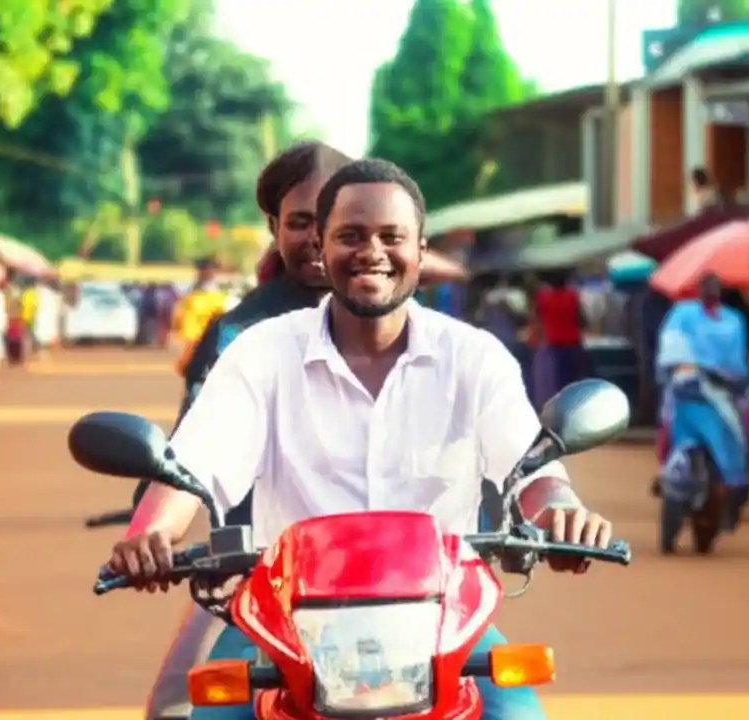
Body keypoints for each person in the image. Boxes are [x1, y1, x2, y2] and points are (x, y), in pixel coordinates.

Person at [109, 160, 614, 720]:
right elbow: (195, 464)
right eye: (350, 236)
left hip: (442, 622)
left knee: (520, 716)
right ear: (320, 250)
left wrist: (563, 512)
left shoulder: (474, 357)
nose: (372, 251)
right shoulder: (261, 353)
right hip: (287, 621)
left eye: (391, 237)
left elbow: (532, 471)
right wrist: (150, 533)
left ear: (420, 250)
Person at [133, 140, 352, 720]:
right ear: (274, 226)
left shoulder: (422, 332)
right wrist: (153, 525)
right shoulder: (239, 338)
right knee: (178, 707)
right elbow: (195, 448)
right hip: (264, 573)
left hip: (403, 577)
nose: (316, 238)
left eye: (331, 221)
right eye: (300, 222)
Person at [654, 273, 749, 530]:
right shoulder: (683, 314)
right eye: (706, 286)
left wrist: (731, 379)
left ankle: (737, 492)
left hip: (726, 391)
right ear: (699, 289)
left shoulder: (733, 320)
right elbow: (671, 348)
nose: (711, 290)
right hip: (688, 388)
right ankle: (665, 471)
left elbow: (737, 362)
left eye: (715, 286)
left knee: (745, 433)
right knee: (668, 424)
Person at [529, 270, 588, 410]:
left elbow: (536, 318)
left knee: (556, 383)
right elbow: (582, 320)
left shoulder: (542, 297)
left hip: (553, 344)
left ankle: (558, 412)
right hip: (573, 342)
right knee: (574, 381)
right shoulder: (573, 296)